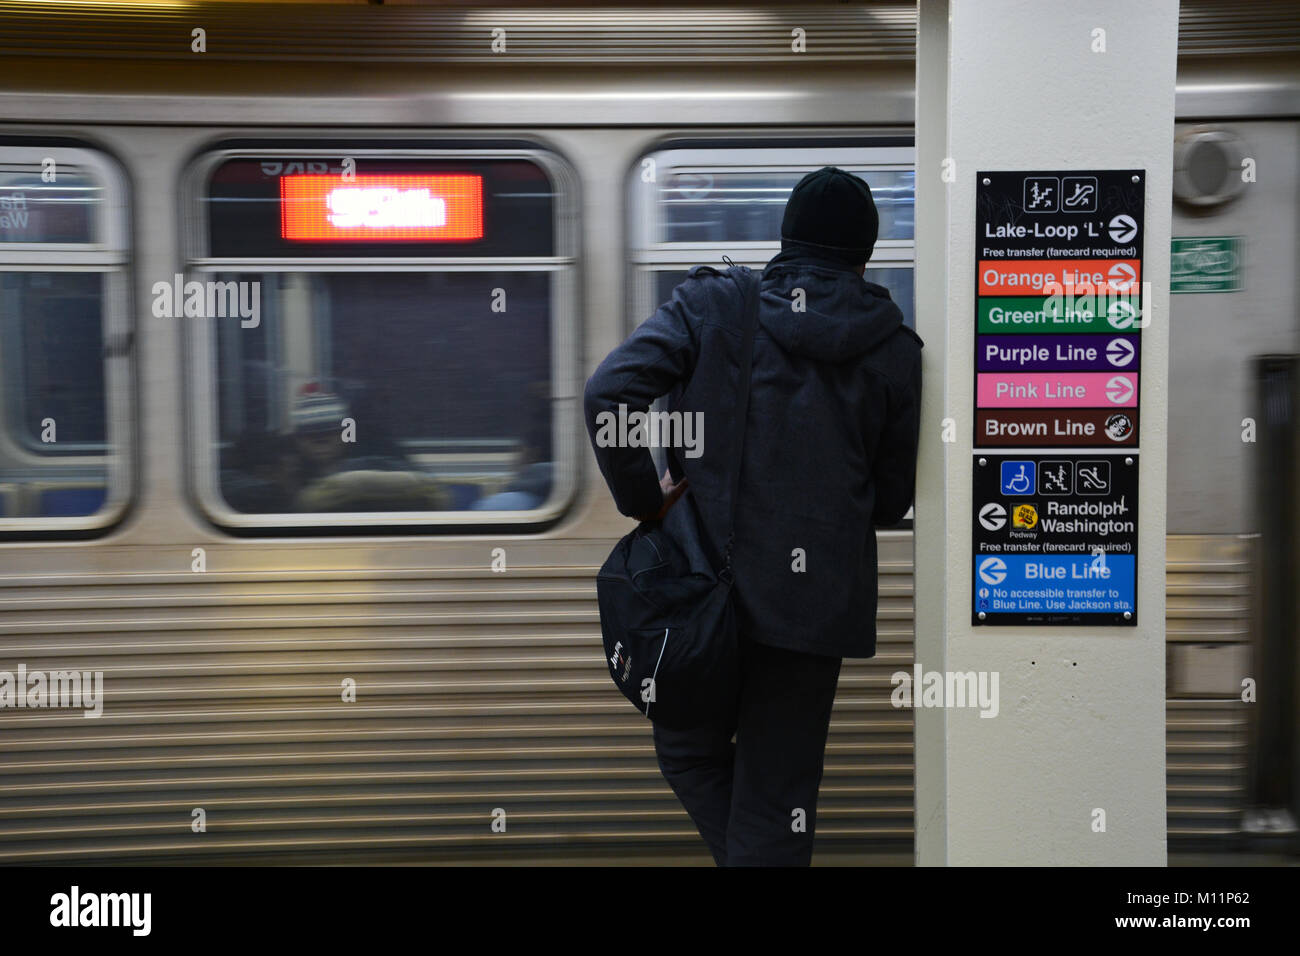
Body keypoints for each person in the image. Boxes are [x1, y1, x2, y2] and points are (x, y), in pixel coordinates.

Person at [583, 167, 923, 866]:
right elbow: (890, 502)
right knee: (780, 798)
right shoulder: (896, 351)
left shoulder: (713, 306)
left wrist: (646, 501)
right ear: (865, 254)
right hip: (812, 615)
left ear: (785, 238)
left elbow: (609, 392)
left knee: (687, 754)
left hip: (704, 593)